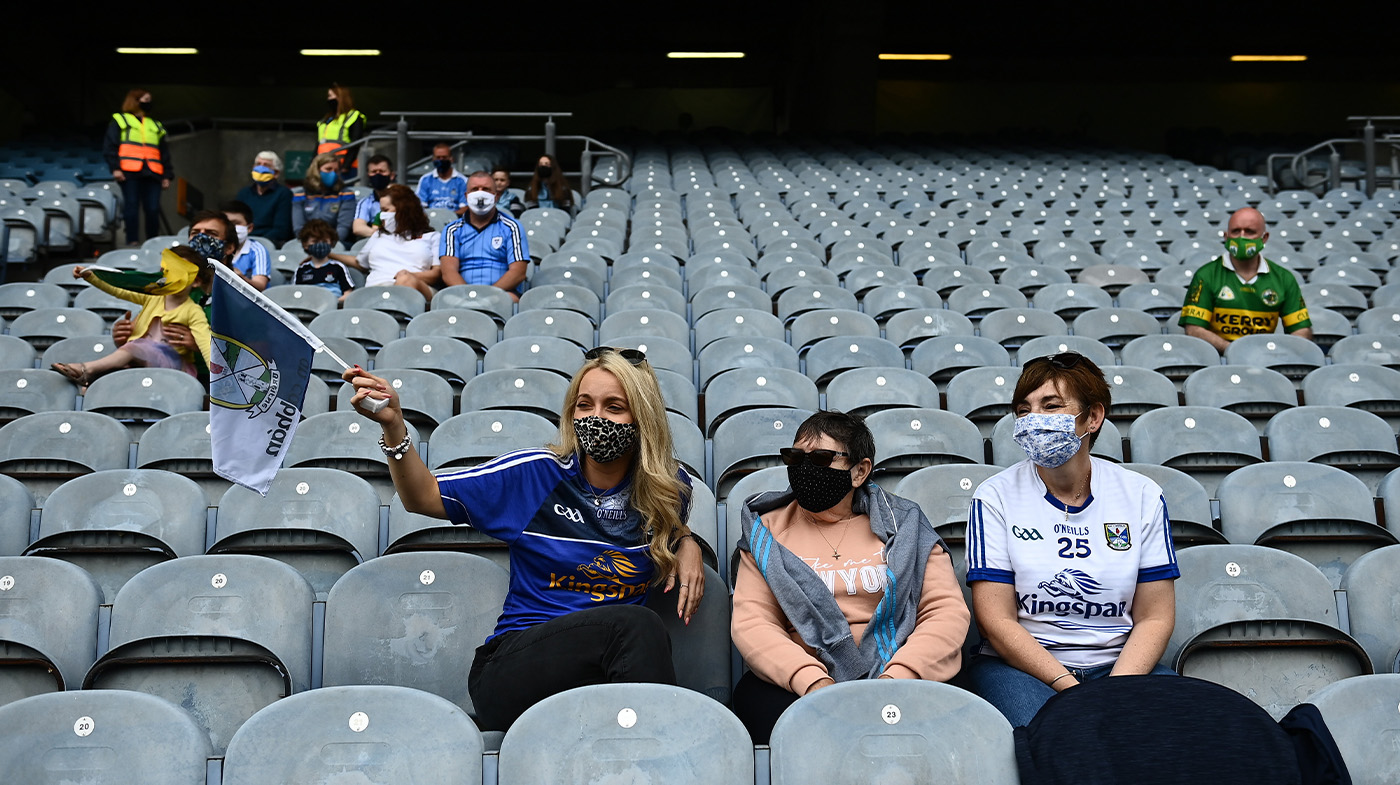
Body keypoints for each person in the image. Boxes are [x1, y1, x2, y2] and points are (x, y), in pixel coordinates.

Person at [341, 346, 706, 731]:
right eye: (584, 405)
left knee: (629, 637)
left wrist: (687, 540)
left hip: (601, 678)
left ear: (642, 418)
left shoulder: (667, 490)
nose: (596, 418)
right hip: (514, 669)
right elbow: (422, 497)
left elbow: (667, 529)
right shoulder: (535, 475)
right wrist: (394, 427)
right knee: (638, 625)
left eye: (614, 408)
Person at [964, 351, 1179, 727]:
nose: (1034, 420)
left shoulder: (1141, 494)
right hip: (1023, 669)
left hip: (1120, 664)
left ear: (1093, 418)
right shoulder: (994, 496)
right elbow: (996, 620)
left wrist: (1114, 691)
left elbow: (1155, 617)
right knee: (1060, 740)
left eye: (1051, 406)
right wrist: (1070, 689)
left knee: (1181, 734)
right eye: (1024, 410)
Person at [731, 410, 970, 744]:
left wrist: (898, 678)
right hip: (800, 683)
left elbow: (945, 612)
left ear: (860, 471)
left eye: (821, 459)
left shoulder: (905, 527)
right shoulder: (766, 533)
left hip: (903, 673)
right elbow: (753, 623)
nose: (804, 469)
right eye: (795, 457)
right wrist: (814, 682)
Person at [53, 247, 211, 385]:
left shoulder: (193, 311)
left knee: (133, 348)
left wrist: (219, 374)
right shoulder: (153, 296)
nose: (168, 275)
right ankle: (89, 384)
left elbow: (205, 342)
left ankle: (87, 369)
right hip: (142, 358)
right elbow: (120, 290)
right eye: (167, 270)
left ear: (195, 282)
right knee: (126, 360)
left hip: (174, 365)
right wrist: (91, 277)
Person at [1179, 207, 1313, 353]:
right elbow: (1194, 329)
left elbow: (1301, 329)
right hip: (1218, 359)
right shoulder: (1206, 275)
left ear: (1264, 238)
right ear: (1226, 236)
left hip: (1266, 358)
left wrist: (1282, 353)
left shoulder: (1284, 278)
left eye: (1249, 232)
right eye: (1235, 231)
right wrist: (1234, 350)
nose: (1241, 237)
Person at [439, 171, 529, 299]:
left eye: (486, 189)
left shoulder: (512, 227)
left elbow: (518, 272)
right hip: (461, 293)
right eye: (475, 189)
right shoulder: (452, 230)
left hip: (501, 293)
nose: (480, 194)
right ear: (466, 196)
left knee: (510, 299)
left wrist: (488, 296)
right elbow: (449, 272)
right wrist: (469, 296)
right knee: (444, 300)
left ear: (496, 196)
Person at [348, 184, 441, 302]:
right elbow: (360, 263)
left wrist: (408, 275)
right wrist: (330, 254)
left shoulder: (432, 237)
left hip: (418, 288)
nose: (381, 215)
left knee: (405, 280)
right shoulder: (379, 234)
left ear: (403, 210)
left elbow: (436, 275)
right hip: (376, 289)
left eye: (385, 210)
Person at [103, 88, 170, 246]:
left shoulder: (155, 124)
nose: (149, 103)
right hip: (129, 171)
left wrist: (167, 175)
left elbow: (164, 152)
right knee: (131, 207)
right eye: (145, 100)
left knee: (153, 209)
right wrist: (115, 168)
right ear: (135, 101)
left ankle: (153, 242)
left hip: (153, 171)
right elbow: (110, 146)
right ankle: (132, 241)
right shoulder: (120, 120)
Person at [292, 152, 356, 247]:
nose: (333, 174)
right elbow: (298, 227)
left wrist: (328, 243)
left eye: (336, 171)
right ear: (316, 170)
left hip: (335, 244)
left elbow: (343, 227)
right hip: (306, 244)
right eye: (328, 169)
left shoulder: (346, 194)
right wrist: (310, 243)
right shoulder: (301, 194)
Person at [234, 151, 294, 246]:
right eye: (258, 164)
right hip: (243, 241)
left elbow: (281, 229)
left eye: (266, 165)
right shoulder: (244, 193)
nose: (261, 168)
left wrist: (258, 243)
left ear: (276, 173)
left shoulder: (283, 194)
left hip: (270, 244)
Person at [295, 218, 356, 302]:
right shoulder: (302, 269)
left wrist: (332, 303)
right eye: (315, 241)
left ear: (331, 243)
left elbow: (348, 294)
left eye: (324, 241)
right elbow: (296, 294)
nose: (320, 245)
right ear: (305, 244)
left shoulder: (338, 267)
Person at [221, 200, 270, 291]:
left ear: (249, 228)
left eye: (236, 223)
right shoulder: (214, 246)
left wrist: (240, 277)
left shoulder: (257, 250)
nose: (231, 227)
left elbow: (260, 286)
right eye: (227, 223)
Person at [317, 83, 364, 174]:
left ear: (340, 97)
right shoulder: (325, 119)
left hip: (343, 167)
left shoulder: (353, 116)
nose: (328, 99)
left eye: (331, 96)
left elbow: (355, 143)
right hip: (323, 166)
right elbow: (318, 145)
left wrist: (346, 165)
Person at [415, 142, 468, 215]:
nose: (441, 160)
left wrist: (446, 217)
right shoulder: (425, 180)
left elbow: (465, 208)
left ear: (451, 159)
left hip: (454, 221)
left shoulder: (462, 181)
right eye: (438, 157)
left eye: (444, 157)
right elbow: (420, 206)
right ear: (433, 159)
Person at [353, 154, 396, 238]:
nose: (377, 175)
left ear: (392, 175)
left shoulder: (405, 198)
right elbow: (358, 228)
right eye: (373, 172)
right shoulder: (365, 202)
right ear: (368, 176)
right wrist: (382, 235)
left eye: (382, 171)